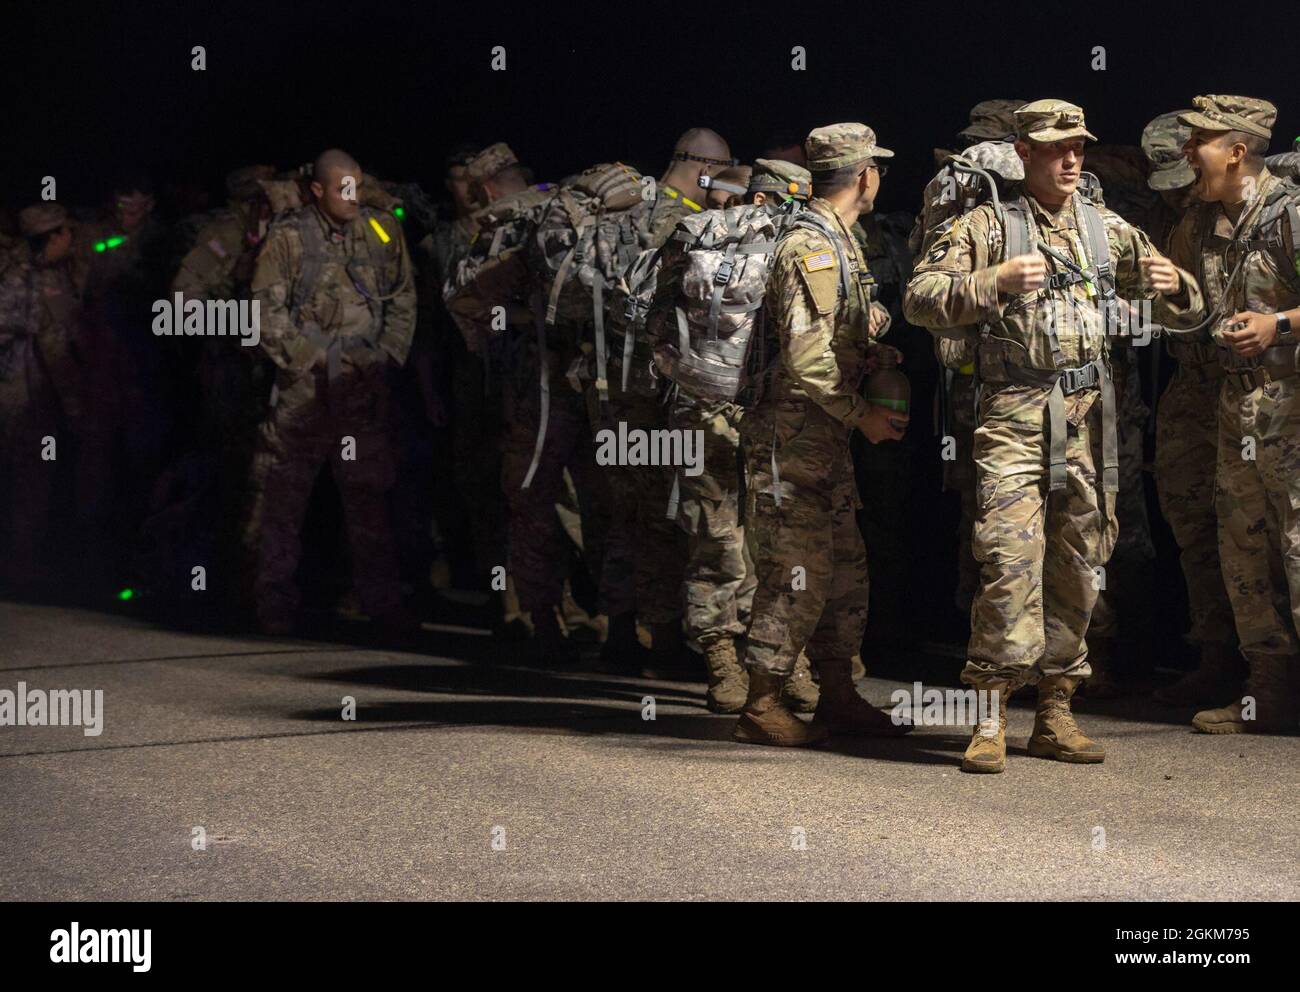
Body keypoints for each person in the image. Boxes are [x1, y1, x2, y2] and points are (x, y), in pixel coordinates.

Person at [904, 100, 1204, 773]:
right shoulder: (989, 225)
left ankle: (1056, 710)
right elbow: (921, 296)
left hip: (1088, 422)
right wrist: (991, 282)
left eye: (1078, 146)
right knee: (1009, 562)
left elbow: (1184, 302)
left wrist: (1174, 283)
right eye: (1053, 147)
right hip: (1012, 415)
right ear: (1023, 153)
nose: (1070, 159)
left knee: (1078, 564)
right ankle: (989, 716)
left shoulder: (1103, 228)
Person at [733, 124, 910, 747]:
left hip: (820, 438)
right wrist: (861, 412)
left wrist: (871, 354)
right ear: (865, 175)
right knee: (796, 568)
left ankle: (837, 692)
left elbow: (835, 336)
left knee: (843, 568)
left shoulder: (843, 240)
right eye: (877, 169)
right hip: (792, 437)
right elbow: (808, 358)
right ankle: (760, 700)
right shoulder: (813, 246)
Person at [1165, 96, 1300, 734]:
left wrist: (1280, 323)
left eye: (1201, 141)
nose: (1189, 152)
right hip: (1233, 406)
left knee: (1297, 546)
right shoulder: (1199, 224)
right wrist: (1170, 295)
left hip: (1291, 406)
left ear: (1237, 151)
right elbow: (1193, 313)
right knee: (1243, 546)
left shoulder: (1289, 214)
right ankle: (1268, 691)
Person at [249, 148, 416, 635]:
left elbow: (403, 295)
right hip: (305, 391)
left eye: (357, 186)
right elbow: (263, 311)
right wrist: (311, 356)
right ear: (318, 189)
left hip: (362, 389)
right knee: (281, 499)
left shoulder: (382, 228)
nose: (352, 196)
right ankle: (271, 604)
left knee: (369, 499)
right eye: (342, 187)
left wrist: (385, 355)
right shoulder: (288, 236)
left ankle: (380, 604)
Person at [0, 204, 82, 593]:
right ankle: (19, 565)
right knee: (29, 477)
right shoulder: (19, 277)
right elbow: (46, 338)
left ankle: (23, 561)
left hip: (33, 395)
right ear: (51, 236)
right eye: (65, 231)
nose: (71, 238)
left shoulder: (49, 272)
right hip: (20, 396)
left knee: (33, 476)